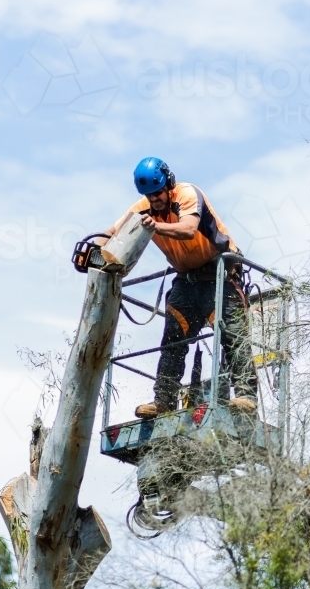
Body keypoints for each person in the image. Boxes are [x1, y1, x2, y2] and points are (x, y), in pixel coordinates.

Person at [102, 157, 257, 419]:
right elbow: (113, 232)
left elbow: (188, 229)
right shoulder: (143, 208)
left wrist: (155, 226)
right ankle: (163, 400)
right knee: (173, 339)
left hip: (219, 273)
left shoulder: (187, 194)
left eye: (158, 193)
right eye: (149, 196)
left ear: (169, 183)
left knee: (232, 333)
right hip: (186, 279)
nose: (154, 200)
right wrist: (94, 248)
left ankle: (246, 396)